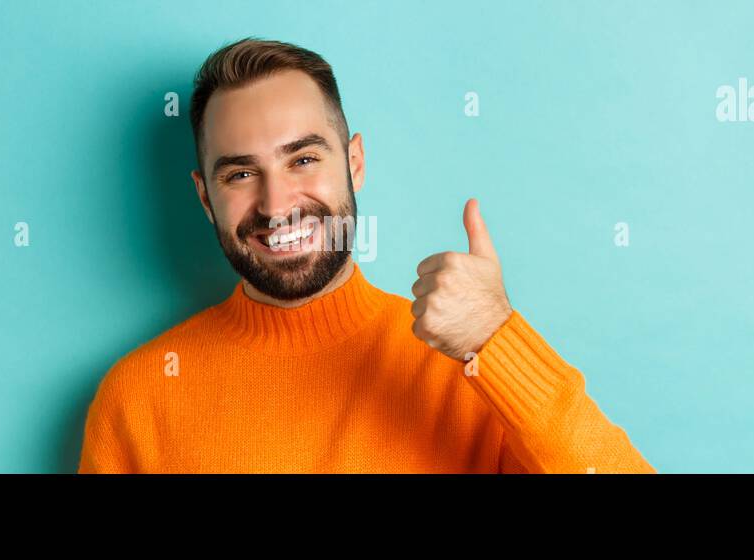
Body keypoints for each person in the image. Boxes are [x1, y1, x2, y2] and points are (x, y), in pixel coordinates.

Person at [78, 38, 655, 473]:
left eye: (303, 159)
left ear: (354, 163)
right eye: (241, 172)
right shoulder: (139, 400)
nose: (277, 205)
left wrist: (498, 341)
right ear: (206, 198)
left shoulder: (468, 373)